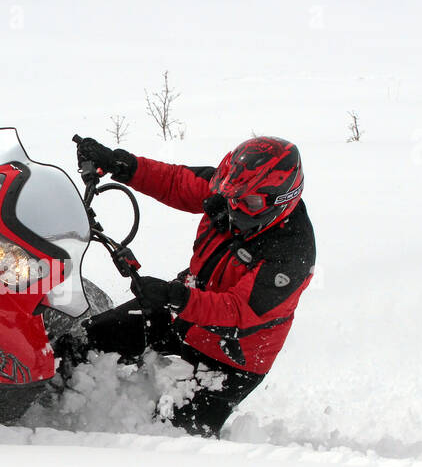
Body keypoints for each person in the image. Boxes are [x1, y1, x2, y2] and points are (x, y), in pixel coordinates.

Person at [65, 134, 316, 437]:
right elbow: (175, 181)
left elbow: (237, 312)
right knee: (78, 347)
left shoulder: (292, 253)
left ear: (282, 200)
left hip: (228, 358)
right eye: (231, 197)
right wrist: (121, 164)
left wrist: (176, 297)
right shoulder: (232, 192)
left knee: (167, 441)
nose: (234, 208)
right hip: (180, 310)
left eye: (248, 202)